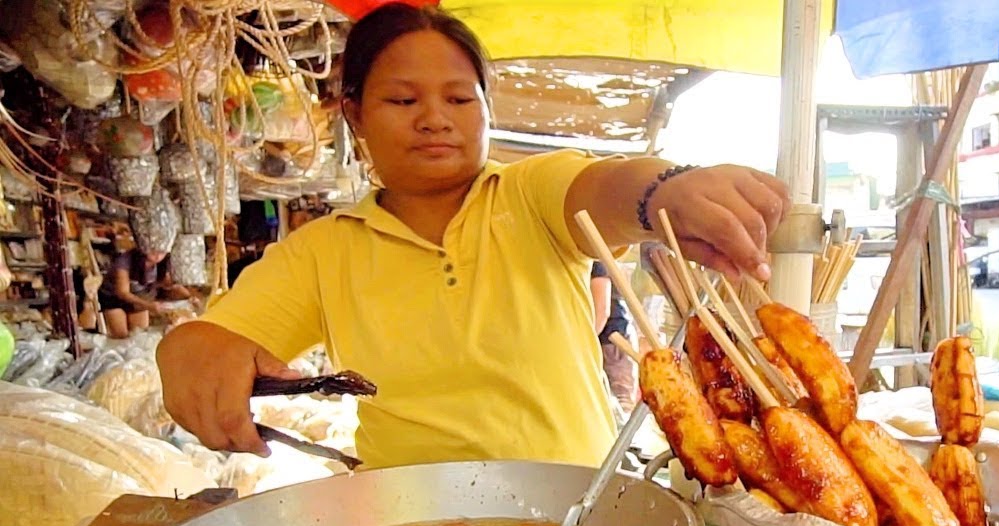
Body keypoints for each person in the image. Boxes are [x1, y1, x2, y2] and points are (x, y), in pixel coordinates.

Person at [156, 2, 789, 470]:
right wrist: (187, 353)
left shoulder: (530, 194)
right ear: (354, 114)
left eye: (460, 100)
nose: (435, 119)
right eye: (403, 102)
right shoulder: (323, 251)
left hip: (584, 521)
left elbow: (607, 189)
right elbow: (215, 337)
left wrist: (665, 191)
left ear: (487, 109)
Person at [98, 245, 192, 339]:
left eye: (162, 252)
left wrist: (189, 297)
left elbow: (168, 283)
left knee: (140, 335)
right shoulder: (124, 261)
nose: (158, 256)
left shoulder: (163, 262)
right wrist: (148, 305)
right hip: (113, 298)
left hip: (140, 296)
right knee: (121, 336)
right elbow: (123, 293)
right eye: (154, 251)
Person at [591, 260, 636, 417]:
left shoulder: (593, 260)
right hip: (599, 340)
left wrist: (583, 344)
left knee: (620, 407)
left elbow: (601, 311)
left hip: (614, 341)